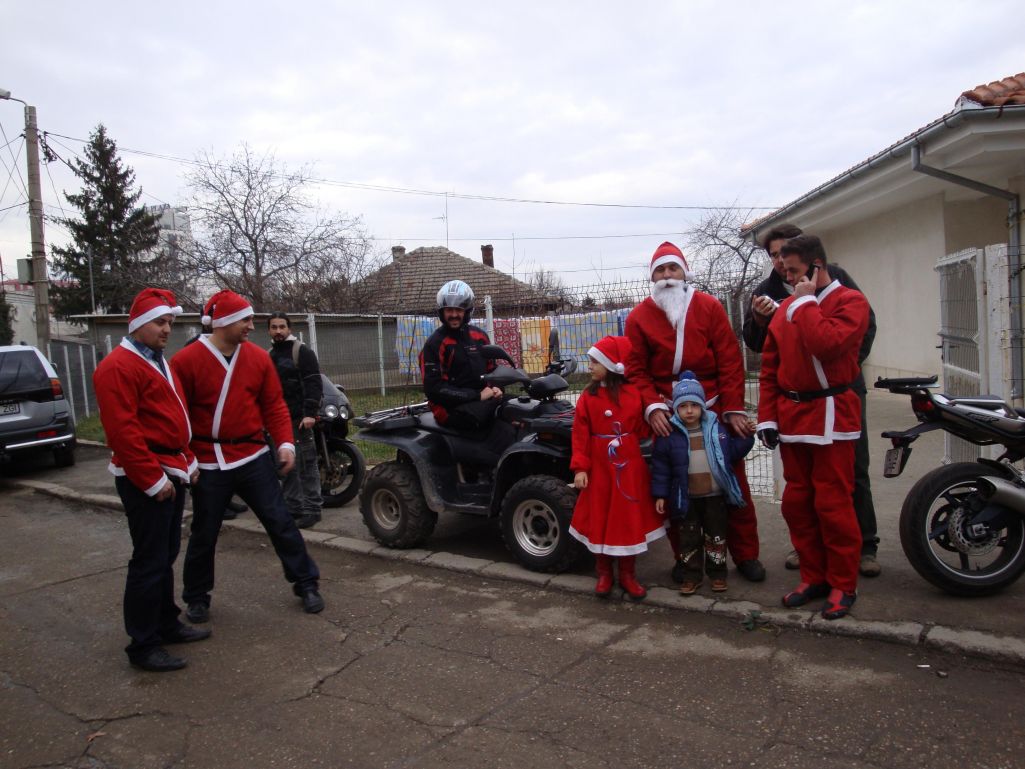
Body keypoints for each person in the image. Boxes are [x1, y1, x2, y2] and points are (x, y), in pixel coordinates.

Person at [172, 289, 324, 622]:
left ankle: (306, 582)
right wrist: (185, 459)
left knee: (281, 521)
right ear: (223, 321)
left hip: (252, 454)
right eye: (245, 319)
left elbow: (274, 405)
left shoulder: (257, 358)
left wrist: (285, 443)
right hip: (209, 459)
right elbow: (176, 414)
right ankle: (197, 596)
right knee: (204, 531)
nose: (251, 325)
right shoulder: (185, 361)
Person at [743, 223, 881, 577]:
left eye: (791, 268)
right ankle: (813, 575)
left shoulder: (847, 296)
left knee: (841, 493)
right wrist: (770, 417)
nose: (784, 274)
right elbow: (769, 363)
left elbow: (829, 344)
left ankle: (847, 574)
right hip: (794, 418)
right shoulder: (782, 300)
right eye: (777, 263)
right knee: (798, 502)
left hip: (837, 405)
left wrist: (845, 371)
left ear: (817, 266)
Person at [625, 242, 764, 583]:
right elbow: (635, 369)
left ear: (684, 273)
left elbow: (731, 360)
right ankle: (685, 559)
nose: (667, 276)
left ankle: (746, 555)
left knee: (734, 486)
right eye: (660, 270)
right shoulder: (639, 317)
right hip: (669, 413)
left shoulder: (709, 307)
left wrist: (732, 408)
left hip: (714, 408)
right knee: (677, 492)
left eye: (673, 269)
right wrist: (653, 406)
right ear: (652, 277)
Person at [92, 288, 208, 672]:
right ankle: (142, 644)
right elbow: (123, 433)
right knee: (148, 561)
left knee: (165, 555)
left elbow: (172, 415)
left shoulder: (157, 360)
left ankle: (165, 622)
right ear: (141, 324)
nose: (167, 330)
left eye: (170, 323)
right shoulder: (117, 367)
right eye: (161, 322)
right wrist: (152, 480)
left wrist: (187, 457)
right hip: (147, 478)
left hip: (170, 469)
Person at [569, 335, 665, 600]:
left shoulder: (633, 394)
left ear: (611, 365)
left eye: (594, 362)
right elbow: (579, 434)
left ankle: (627, 574)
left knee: (627, 520)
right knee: (600, 517)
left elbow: (644, 428)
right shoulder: (588, 398)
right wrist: (580, 468)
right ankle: (604, 573)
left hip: (628, 469)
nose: (589, 367)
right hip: (600, 469)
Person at [651, 371, 755, 596]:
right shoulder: (669, 435)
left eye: (694, 405)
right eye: (683, 406)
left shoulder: (717, 431)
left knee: (716, 537)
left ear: (702, 407)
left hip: (714, 497)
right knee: (688, 540)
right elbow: (661, 468)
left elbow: (733, 453)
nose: (689, 410)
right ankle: (691, 576)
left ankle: (718, 575)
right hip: (685, 498)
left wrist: (747, 436)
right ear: (676, 408)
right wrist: (660, 495)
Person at [420, 279, 501, 432]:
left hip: (480, 400)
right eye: (449, 310)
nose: (454, 315)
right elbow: (434, 389)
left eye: (459, 310)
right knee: (490, 425)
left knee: (517, 411)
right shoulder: (435, 343)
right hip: (448, 409)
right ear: (442, 312)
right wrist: (477, 396)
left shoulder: (480, 337)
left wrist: (496, 387)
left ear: (467, 311)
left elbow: (492, 371)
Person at [268, 312, 324, 529]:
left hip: (300, 419)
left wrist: (310, 413)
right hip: (279, 421)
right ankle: (293, 508)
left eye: (282, 326)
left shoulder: (301, 351)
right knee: (286, 465)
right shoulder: (269, 355)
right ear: (269, 330)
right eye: (274, 327)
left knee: (306, 464)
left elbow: (313, 382)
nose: (279, 331)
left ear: (289, 329)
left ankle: (312, 509)